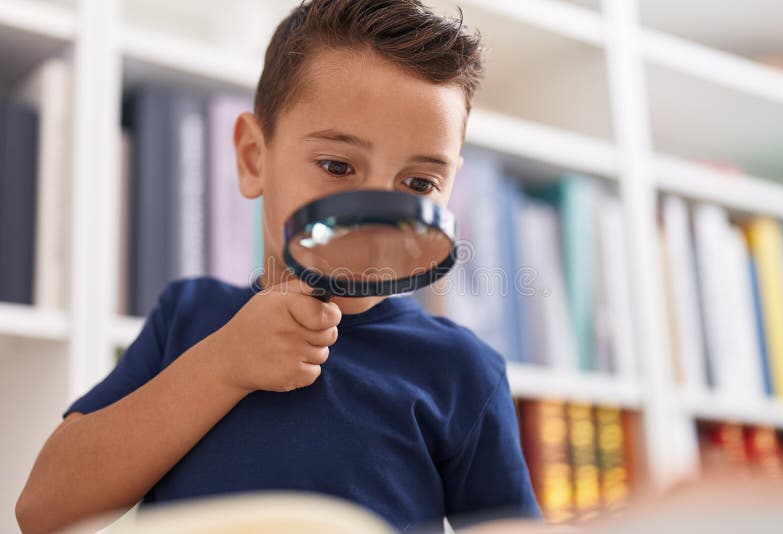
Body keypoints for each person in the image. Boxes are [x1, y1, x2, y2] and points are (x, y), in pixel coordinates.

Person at [15, 1, 541, 532]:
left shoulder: (461, 371)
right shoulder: (189, 318)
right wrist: (222, 364)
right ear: (251, 158)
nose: (376, 221)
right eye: (338, 166)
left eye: (419, 184)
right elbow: (43, 511)